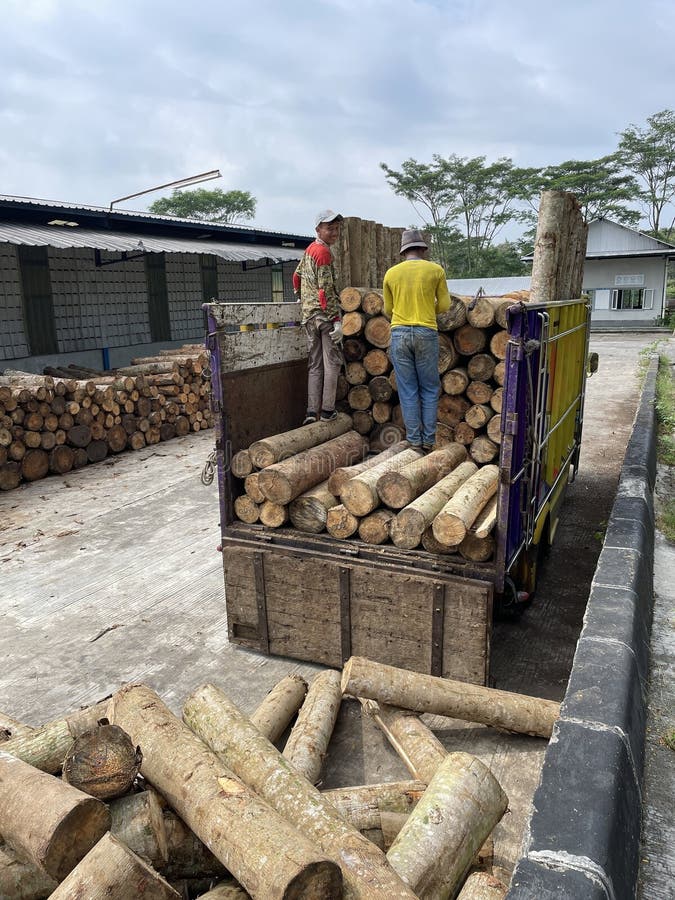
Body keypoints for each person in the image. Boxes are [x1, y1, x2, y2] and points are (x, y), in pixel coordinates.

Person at [383, 228, 451, 452]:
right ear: (422, 249)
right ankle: (428, 442)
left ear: (403, 252)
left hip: (399, 333)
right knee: (430, 389)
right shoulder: (435, 270)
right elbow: (444, 306)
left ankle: (414, 442)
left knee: (408, 390)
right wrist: (425, 308)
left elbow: (388, 309)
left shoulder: (391, 274)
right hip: (426, 332)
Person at [293, 209, 344, 425]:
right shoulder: (323, 253)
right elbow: (325, 291)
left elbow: (296, 276)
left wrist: (300, 297)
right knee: (332, 362)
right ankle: (327, 410)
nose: (334, 232)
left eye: (336, 228)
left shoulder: (308, 251)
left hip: (309, 317)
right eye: (329, 228)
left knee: (315, 365)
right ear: (318, 230)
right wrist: (336, 321)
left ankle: (311, 412)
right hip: (324, 317)